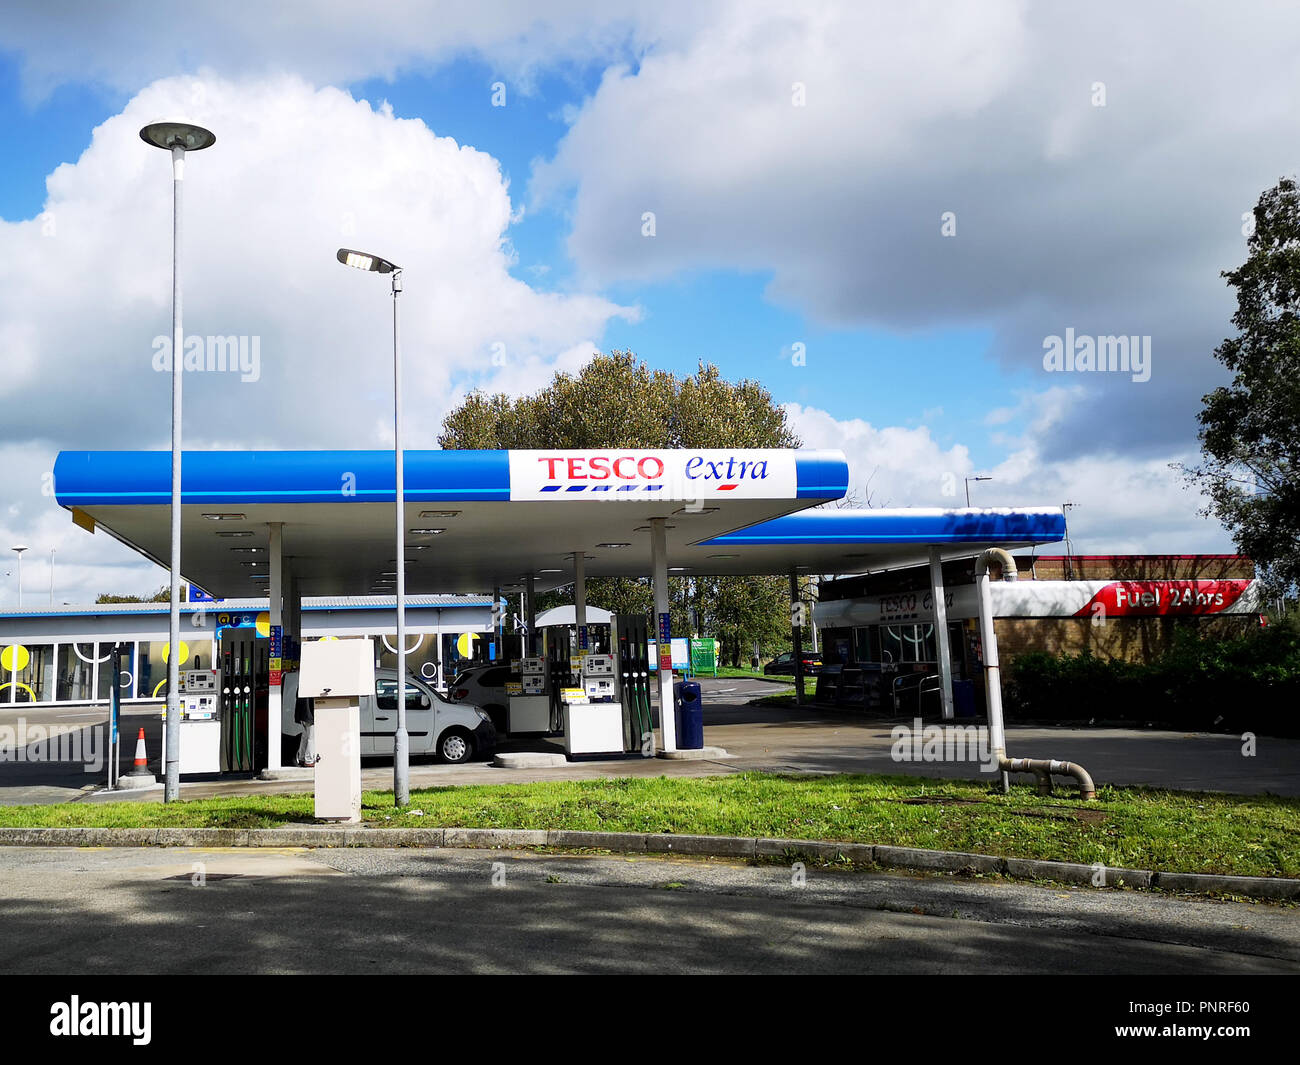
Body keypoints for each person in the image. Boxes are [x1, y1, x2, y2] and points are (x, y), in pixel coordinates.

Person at [294, 692, 317, 767]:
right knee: (311, 738)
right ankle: (309, 760)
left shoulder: (302, 687)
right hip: (310, 716)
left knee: (305, 737)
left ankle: (302, 758)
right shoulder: (311, 688)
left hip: (303, 716)